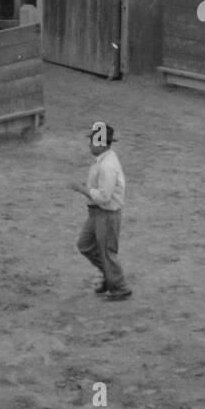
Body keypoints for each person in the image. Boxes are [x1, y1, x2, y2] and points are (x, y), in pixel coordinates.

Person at [69, 122, 131, 301]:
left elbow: (104, 197)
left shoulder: (106, 165)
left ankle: (120, 288)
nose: (89, 144)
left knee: (106, 251)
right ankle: (110, 277)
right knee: (85, 245)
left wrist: (82, 189)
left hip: (107, 213)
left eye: (93, 141)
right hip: (98, 212)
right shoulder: (105, 160)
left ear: (102, 144)